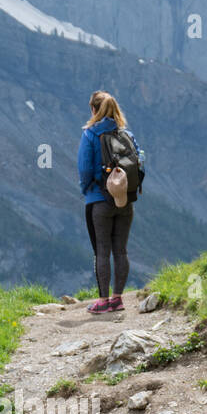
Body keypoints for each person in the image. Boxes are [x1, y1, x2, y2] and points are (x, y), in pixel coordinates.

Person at [77, 91, 144, 314]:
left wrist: (87, 189)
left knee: (102, 250)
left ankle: (103, 301)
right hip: (124, 200)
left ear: (94, 110)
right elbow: (139, 163)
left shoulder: (89, 135)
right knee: (121, 250)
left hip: (99, 200)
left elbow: (85, 169)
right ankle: (118, 299)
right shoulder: (127, 134)